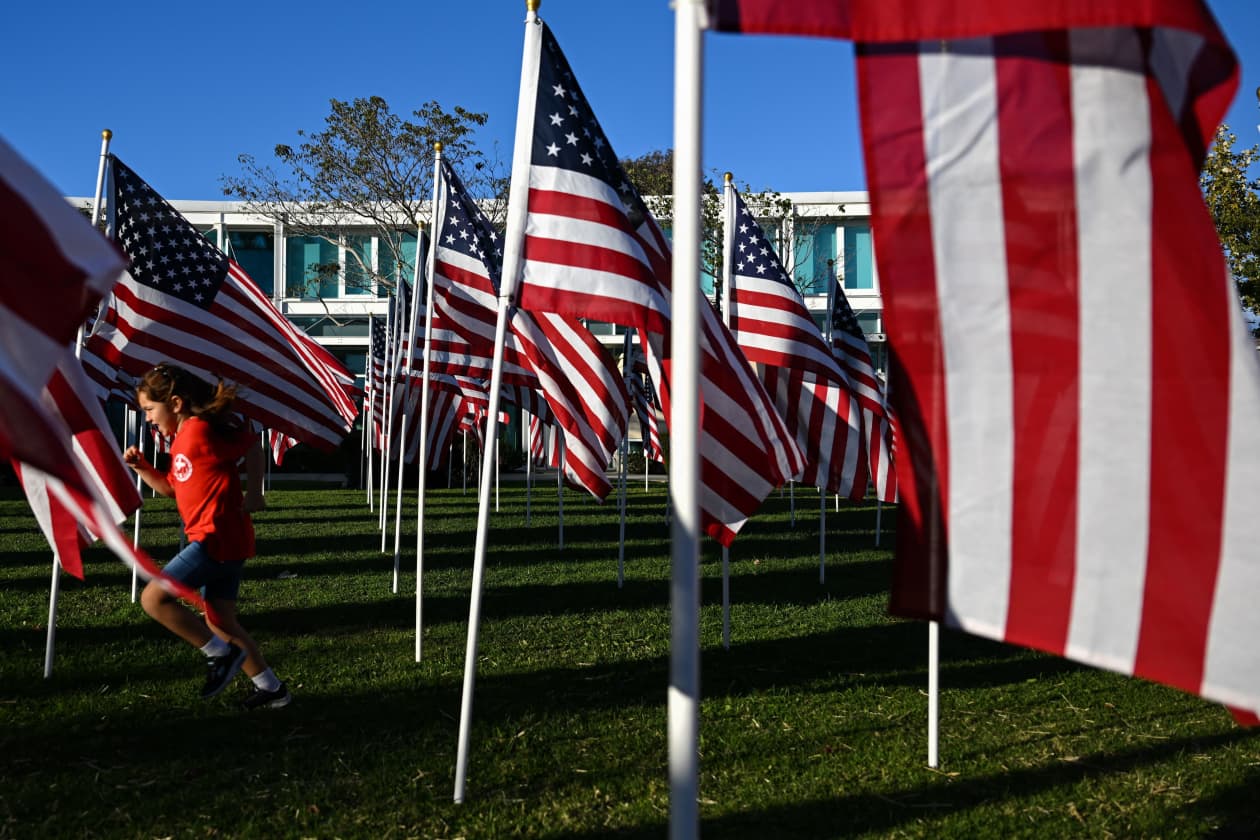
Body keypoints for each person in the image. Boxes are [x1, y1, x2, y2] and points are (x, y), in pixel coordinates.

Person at [123, 363, 291, 710]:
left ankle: (220, 655)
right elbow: (172, 488)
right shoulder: (182, 440)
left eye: (150, 410)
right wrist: (143, 468)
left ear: (176, 403)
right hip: (225, 541)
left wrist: (255, 492)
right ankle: (272, 690)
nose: (149, 418)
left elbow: (253, 447)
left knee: (153, 599)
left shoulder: (199, 431)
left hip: (215, 540)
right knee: (220, 619)